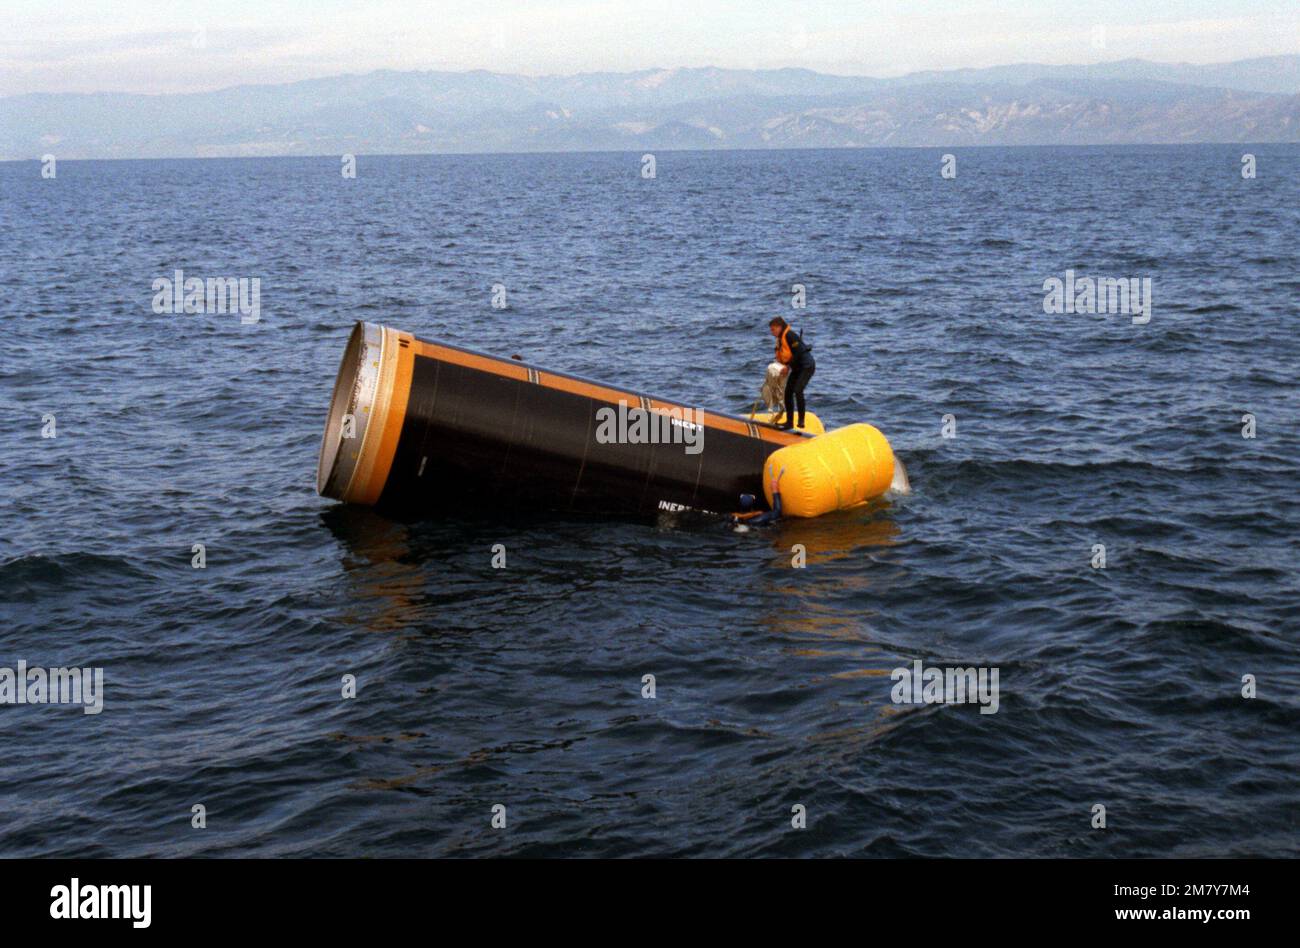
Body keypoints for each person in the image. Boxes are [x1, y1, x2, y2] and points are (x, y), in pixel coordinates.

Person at [769, 317, 815, 430]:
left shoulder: (790, 335)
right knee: (788, 392)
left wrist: (788, 367)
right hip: (797, 368)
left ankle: (801, 420)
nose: (772, 332)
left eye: (773, 329)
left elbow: (799, 352)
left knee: (798, 390)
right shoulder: (780, 340)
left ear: (780, 327)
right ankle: (789, 422)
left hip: (806, 366)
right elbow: (783, 357)